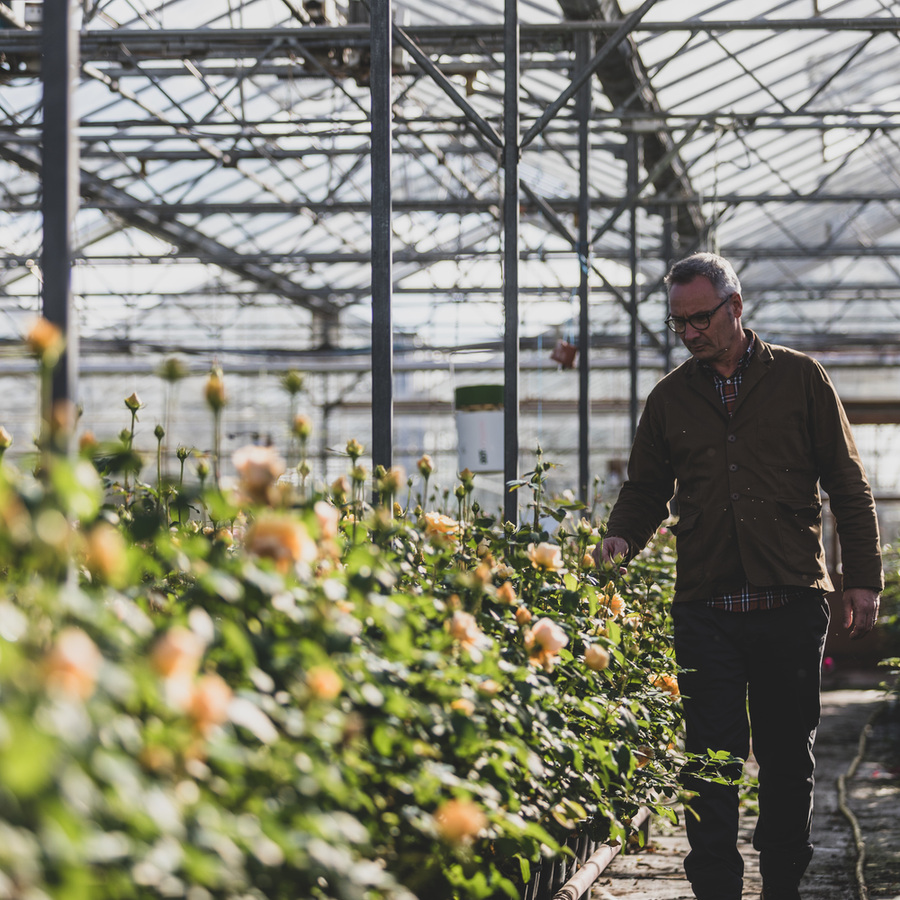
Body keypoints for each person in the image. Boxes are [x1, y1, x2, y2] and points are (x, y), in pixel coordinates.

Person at [596, 253, 882, 900]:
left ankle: (782, 883)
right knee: (710, 760)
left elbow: (847, 483)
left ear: (736, 306)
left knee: (786, 757)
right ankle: (716, 889)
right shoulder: (670, 397)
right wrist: (621, 537)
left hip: (789, 598)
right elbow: (645, 489)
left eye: (701, 318)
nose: (692, 332)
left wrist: (861, 577)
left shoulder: (801, 379)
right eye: (679, 324)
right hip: (707, 604)